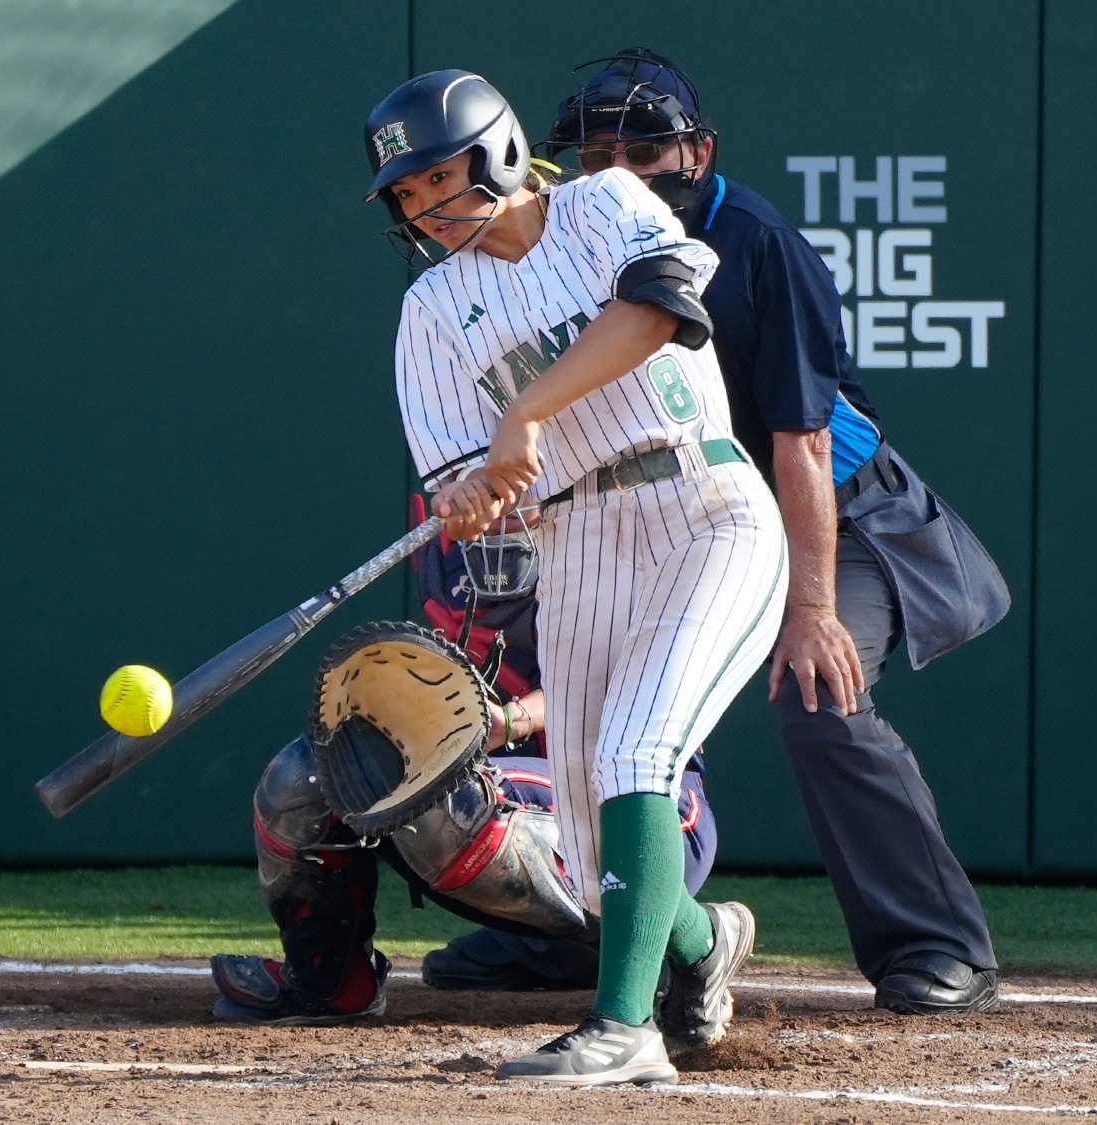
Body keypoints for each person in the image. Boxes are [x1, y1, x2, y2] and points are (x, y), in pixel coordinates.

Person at [542, 50, 1011, 1016]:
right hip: (685, 517)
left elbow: (803, 443)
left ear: (700, 152)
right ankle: (563, 935)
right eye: (596, 154)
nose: (620, 171)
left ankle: (939, 944)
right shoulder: (572, 247)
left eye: (644, 148)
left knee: (817, 693)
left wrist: (810, 608)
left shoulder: (759, 245)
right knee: (606, 708)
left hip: (843, 513)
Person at [364, 68, 788, 1085]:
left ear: (501, 152)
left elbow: (657, 310)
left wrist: (525, 414)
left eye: (439, 177)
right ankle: (703, 945)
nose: (427, 206)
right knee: (595, 869)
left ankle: (622, 1028)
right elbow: (466, 476)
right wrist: (472, 495)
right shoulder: (430, 310)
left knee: (639, 751)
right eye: (408, 194)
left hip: (702, 504)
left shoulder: (603, 202)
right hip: (577, 540)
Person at [207, 518, 718, 1023]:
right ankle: (332, 982)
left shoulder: (619, 527)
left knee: (454, 803)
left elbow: (623, 682)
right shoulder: (446, 550)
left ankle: (670, 944)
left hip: (643, 808)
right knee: (307, 779)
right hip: (519, 796)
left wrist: (512, 719)